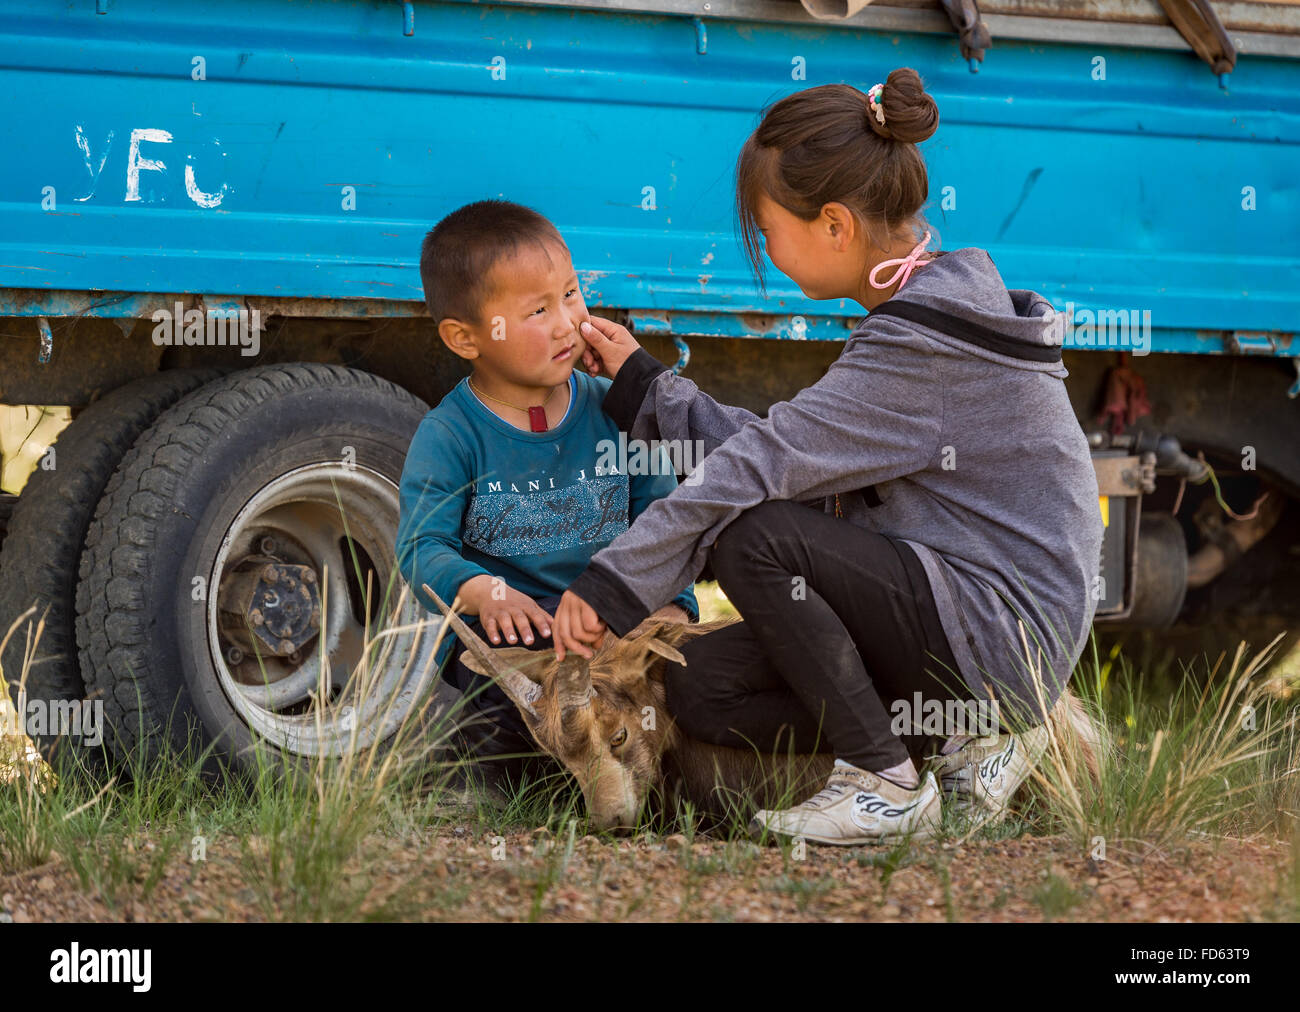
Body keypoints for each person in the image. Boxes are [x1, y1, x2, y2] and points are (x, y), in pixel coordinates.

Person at [551, 70, 1103, 845]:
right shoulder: (930, 311)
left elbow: (761, 467)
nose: (768, 253)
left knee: (754, 533)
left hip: (996, 636)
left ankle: (883, 787)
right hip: (970, 619)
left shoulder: (920, 344)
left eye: (770, 231)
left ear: (835, 226)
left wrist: (614, 584)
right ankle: (952, 746)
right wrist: (647, 390)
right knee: (700, 686)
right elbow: (794, 448)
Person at [396, 200, 699, 794]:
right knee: (505, 713)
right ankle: (523, 784)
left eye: (571, 293)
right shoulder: (451, 434)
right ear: (465, 337)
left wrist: (673, 605)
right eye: (538, 310)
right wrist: (485, 592)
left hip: (620, 619)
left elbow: (662, 515)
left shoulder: (612, 407)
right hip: (522, 640)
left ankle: (648, 779)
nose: (567, 321)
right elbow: (419, 546)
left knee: (691, 692)